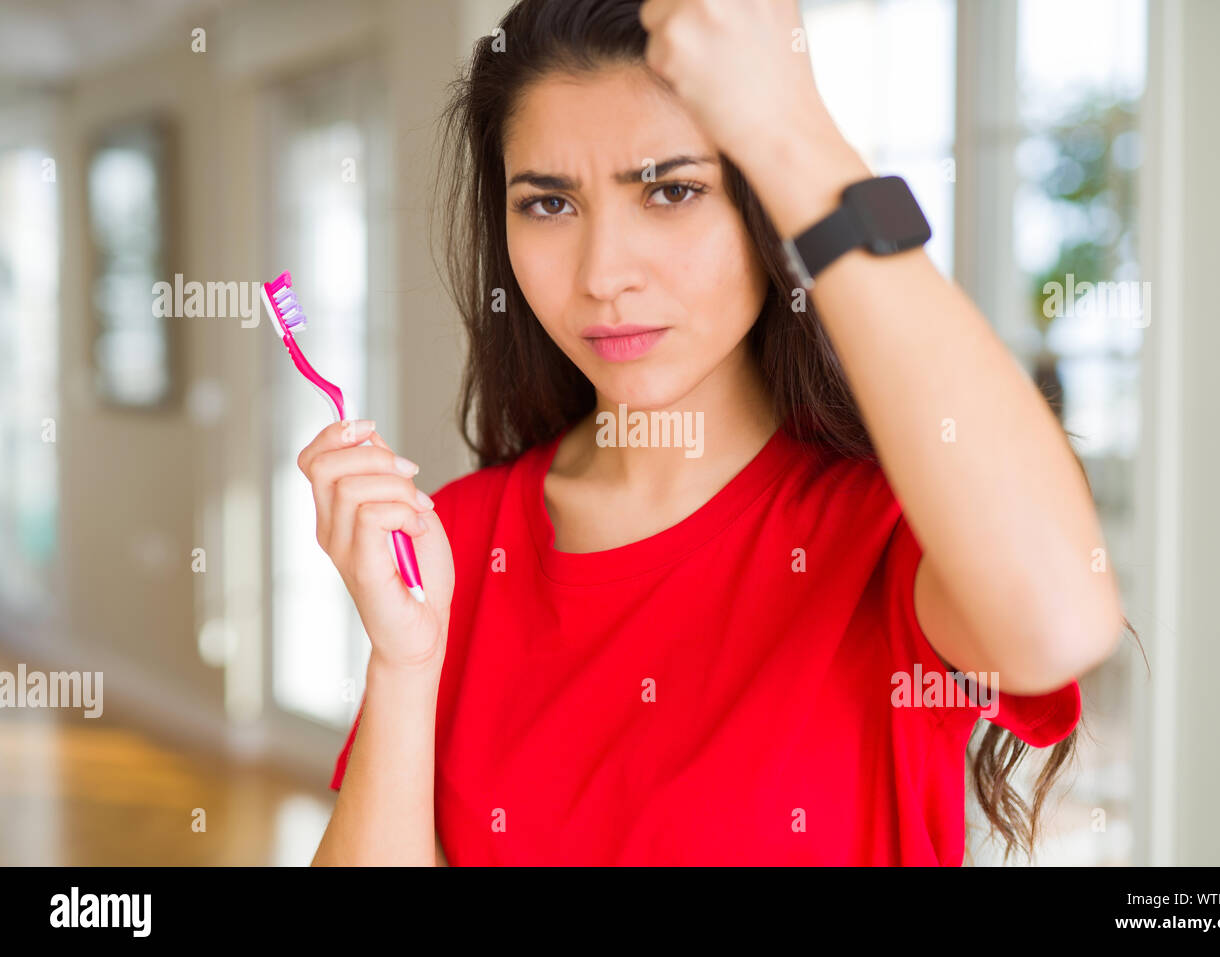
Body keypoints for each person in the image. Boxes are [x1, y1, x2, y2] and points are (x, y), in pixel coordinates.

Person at [307, 0, 1129, 866]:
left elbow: (1060, 622)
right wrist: (404, 666)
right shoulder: (457, 544)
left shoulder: (883, 535)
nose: (604, 274)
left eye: (672, 189)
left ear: (765, 205)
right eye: (549, 203)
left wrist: (795, 134)